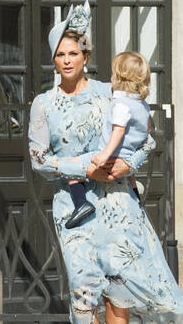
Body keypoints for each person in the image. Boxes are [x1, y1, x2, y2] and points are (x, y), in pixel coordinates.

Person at [28, 4, 183, 324]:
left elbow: (146, 138)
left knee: (117, 287)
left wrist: (127, 162)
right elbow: (39, 158)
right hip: (73, 204)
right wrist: (83, 167)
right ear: (54, 60)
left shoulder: (113, 93)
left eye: (74, 53)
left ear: (85, 56)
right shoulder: (43, 104)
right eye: (60, 54)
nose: (67, 60)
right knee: (83, 287)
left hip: (117, 201)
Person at [65, 50, 153, 228]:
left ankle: (81, 203)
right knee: (132, 178)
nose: (111, 77)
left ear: (119, 78)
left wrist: (104, 155)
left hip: (110, 158)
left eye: (114, 74)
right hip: (127, 160)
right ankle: (137, 201)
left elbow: (118, 132)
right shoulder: (142, 105)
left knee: (71, 165)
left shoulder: (121, 104)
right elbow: (148, 130)